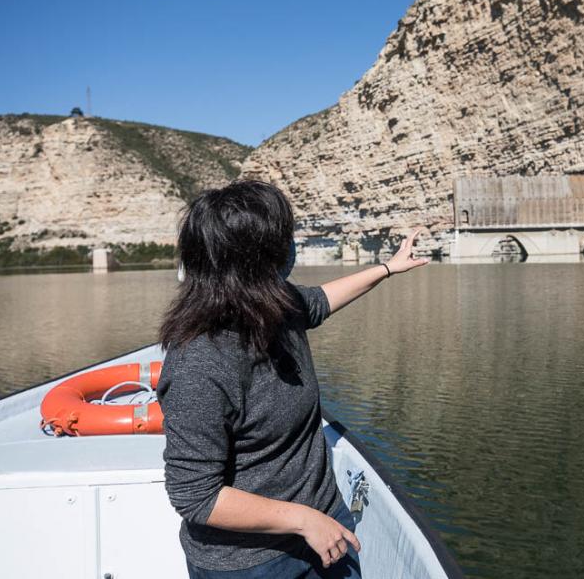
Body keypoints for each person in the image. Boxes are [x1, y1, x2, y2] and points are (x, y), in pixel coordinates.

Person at [156, 180, 429, 579]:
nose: (292, 246)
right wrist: (303, 520)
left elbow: (319, 301)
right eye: (284, 238)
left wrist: (387, 268)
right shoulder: (200, 362)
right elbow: (196, 496)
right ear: (255, 260)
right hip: (252, 565)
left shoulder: (274, 307)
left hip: (324, 530)